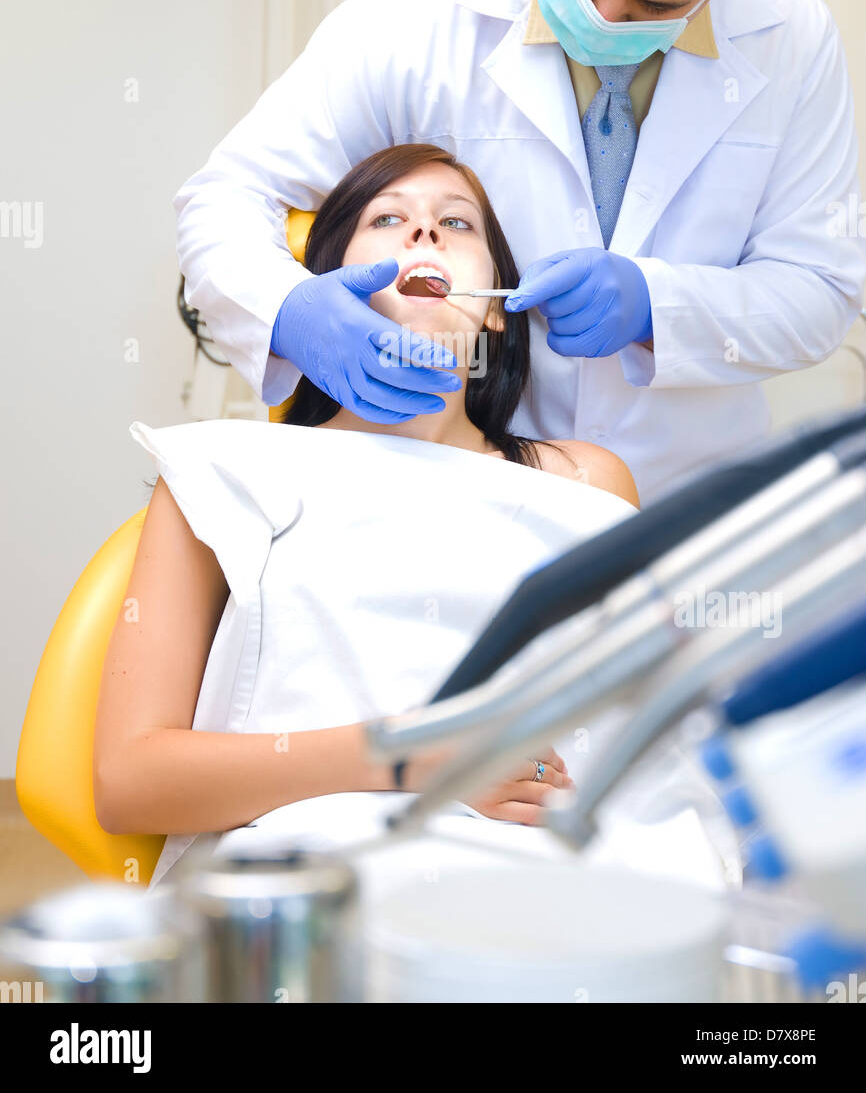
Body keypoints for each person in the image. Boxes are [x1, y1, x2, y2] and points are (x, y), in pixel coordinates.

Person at [172, 0, 865, 505]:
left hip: (690, 503)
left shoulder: (789, 38)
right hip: (463, 495)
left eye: (649, 5)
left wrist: (655, 306)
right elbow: (225, 197)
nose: (605, 13)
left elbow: (823, 289)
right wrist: (290, 315)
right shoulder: (424, 14)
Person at [94, 146, 639, 887]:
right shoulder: (224, 473)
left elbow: (633, 733)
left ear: (500, 319)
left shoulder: (588, 483)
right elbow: (128, 782)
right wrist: (409, 757)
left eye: (457, 221)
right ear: (328, 297)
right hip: (306, 884)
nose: (425, 233)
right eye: (389, 218)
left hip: (540, 875)